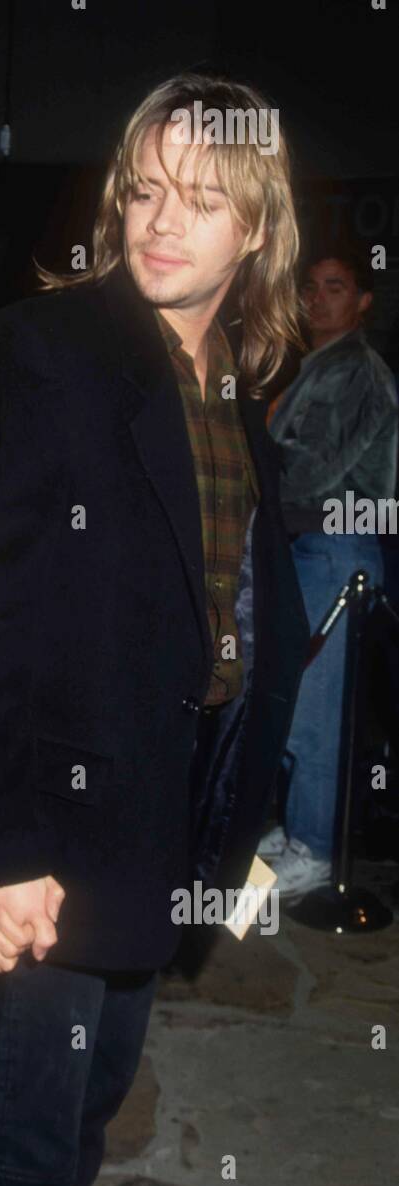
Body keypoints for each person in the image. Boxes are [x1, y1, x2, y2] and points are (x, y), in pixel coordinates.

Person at [0, 73, 309, 1186]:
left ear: (255, 228)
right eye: (143, 190)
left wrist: (232, 814)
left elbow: (230, 611)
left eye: (200, 200)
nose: (159, 221)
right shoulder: (50, 348)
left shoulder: (229, 388)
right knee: (21, 1155)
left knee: (73, 1124)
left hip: (154, 823)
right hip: (49, 829)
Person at [260, 250, 399, 896]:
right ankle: (298, 828)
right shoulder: (315, 367)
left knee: (313, 713)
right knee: (293, 701)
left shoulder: (354, 371)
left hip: (333, 545)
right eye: (309, 287)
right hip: (307, 545)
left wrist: (247, 469)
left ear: (362, 300)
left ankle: (314, 847)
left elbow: (307, 472)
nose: (317, 299)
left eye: (335, 288)